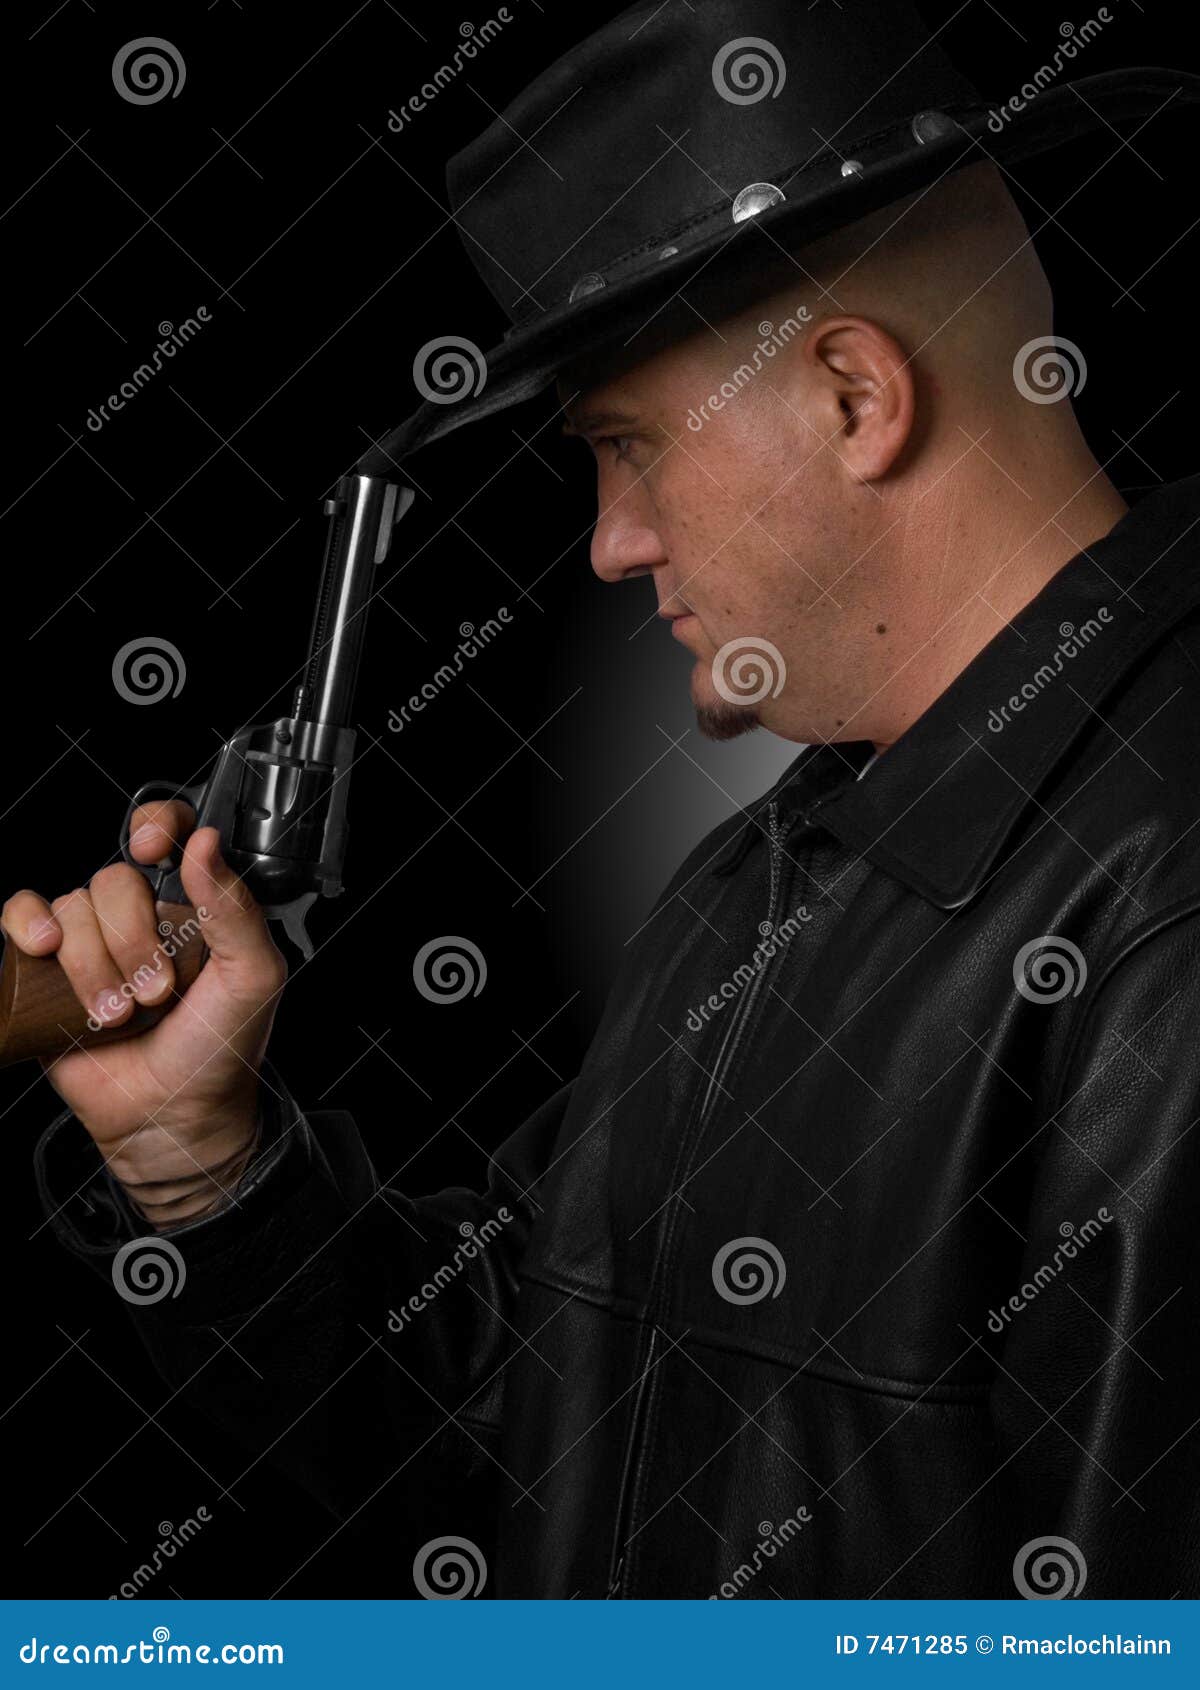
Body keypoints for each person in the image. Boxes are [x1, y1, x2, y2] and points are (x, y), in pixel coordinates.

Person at [14, 0, 1200, 1598]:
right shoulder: (758, 883)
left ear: (856, 397)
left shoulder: (1168, 924)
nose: (610, 543)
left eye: (630, 447)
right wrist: (202, 1172)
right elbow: (538, 1434)